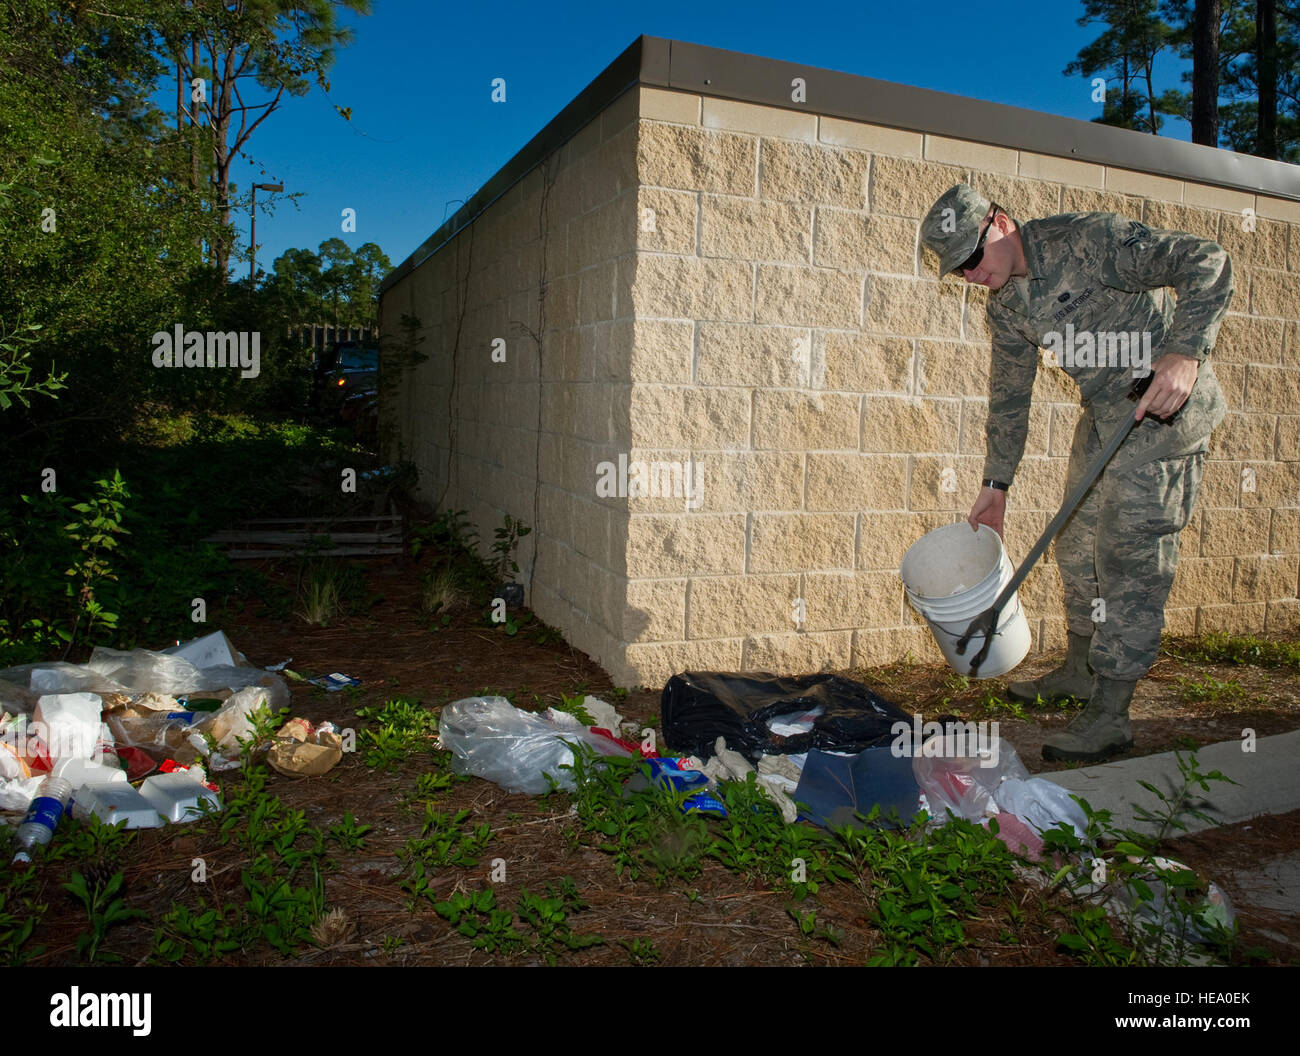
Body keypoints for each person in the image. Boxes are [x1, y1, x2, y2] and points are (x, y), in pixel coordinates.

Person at [920, 184, 1233, 762]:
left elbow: (1207, 259)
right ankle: (1080, 670)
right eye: (956, 269)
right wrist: (996, 485)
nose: (969, 275)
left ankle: (1112, 713)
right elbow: (1009, 396)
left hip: (1163, 410)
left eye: (971, 258)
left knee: (1127, 555)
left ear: (1001, 223)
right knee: (1076, 546)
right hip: (1106, 415)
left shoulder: (1088, 240)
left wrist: (1185, 351)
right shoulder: (1008, 307)